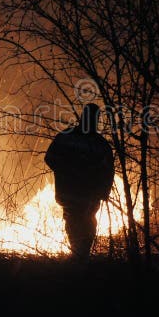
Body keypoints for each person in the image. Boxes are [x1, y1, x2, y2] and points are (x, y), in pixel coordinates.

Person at [45, 103, 114, 258]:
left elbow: (108, 170)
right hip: (72, 193)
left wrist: (104, 191)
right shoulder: (94, 143)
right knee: (78, 223)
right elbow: (50, 158)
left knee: (83, 223)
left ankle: (80, 255)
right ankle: (80, 255)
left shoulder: (95, 143)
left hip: (85, 195)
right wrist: (68, 171)